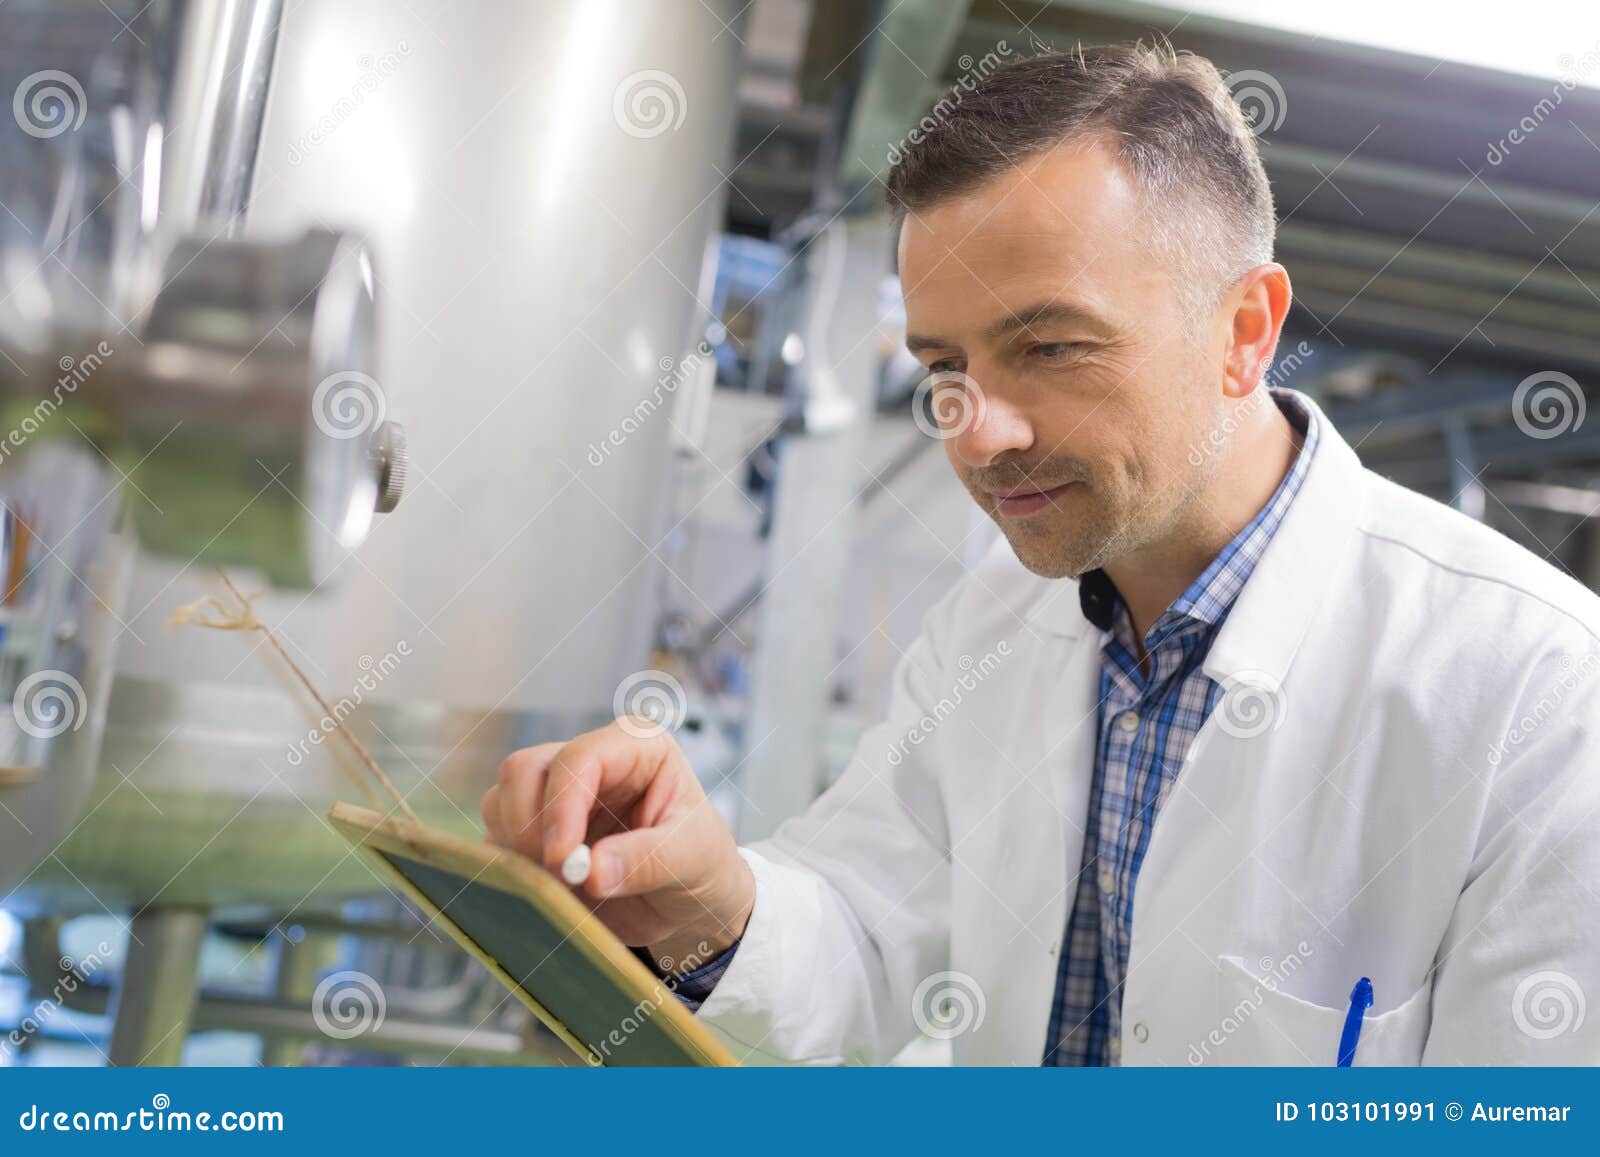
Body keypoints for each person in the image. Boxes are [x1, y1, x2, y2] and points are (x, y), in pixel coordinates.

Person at [481, 42, 1600, 1065]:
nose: (976, 430)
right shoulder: (990, 630)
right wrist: (711, 905)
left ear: (1245, 330)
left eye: (1051, 346)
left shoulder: (1538, 697)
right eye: (940, 363)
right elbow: (866, 940)